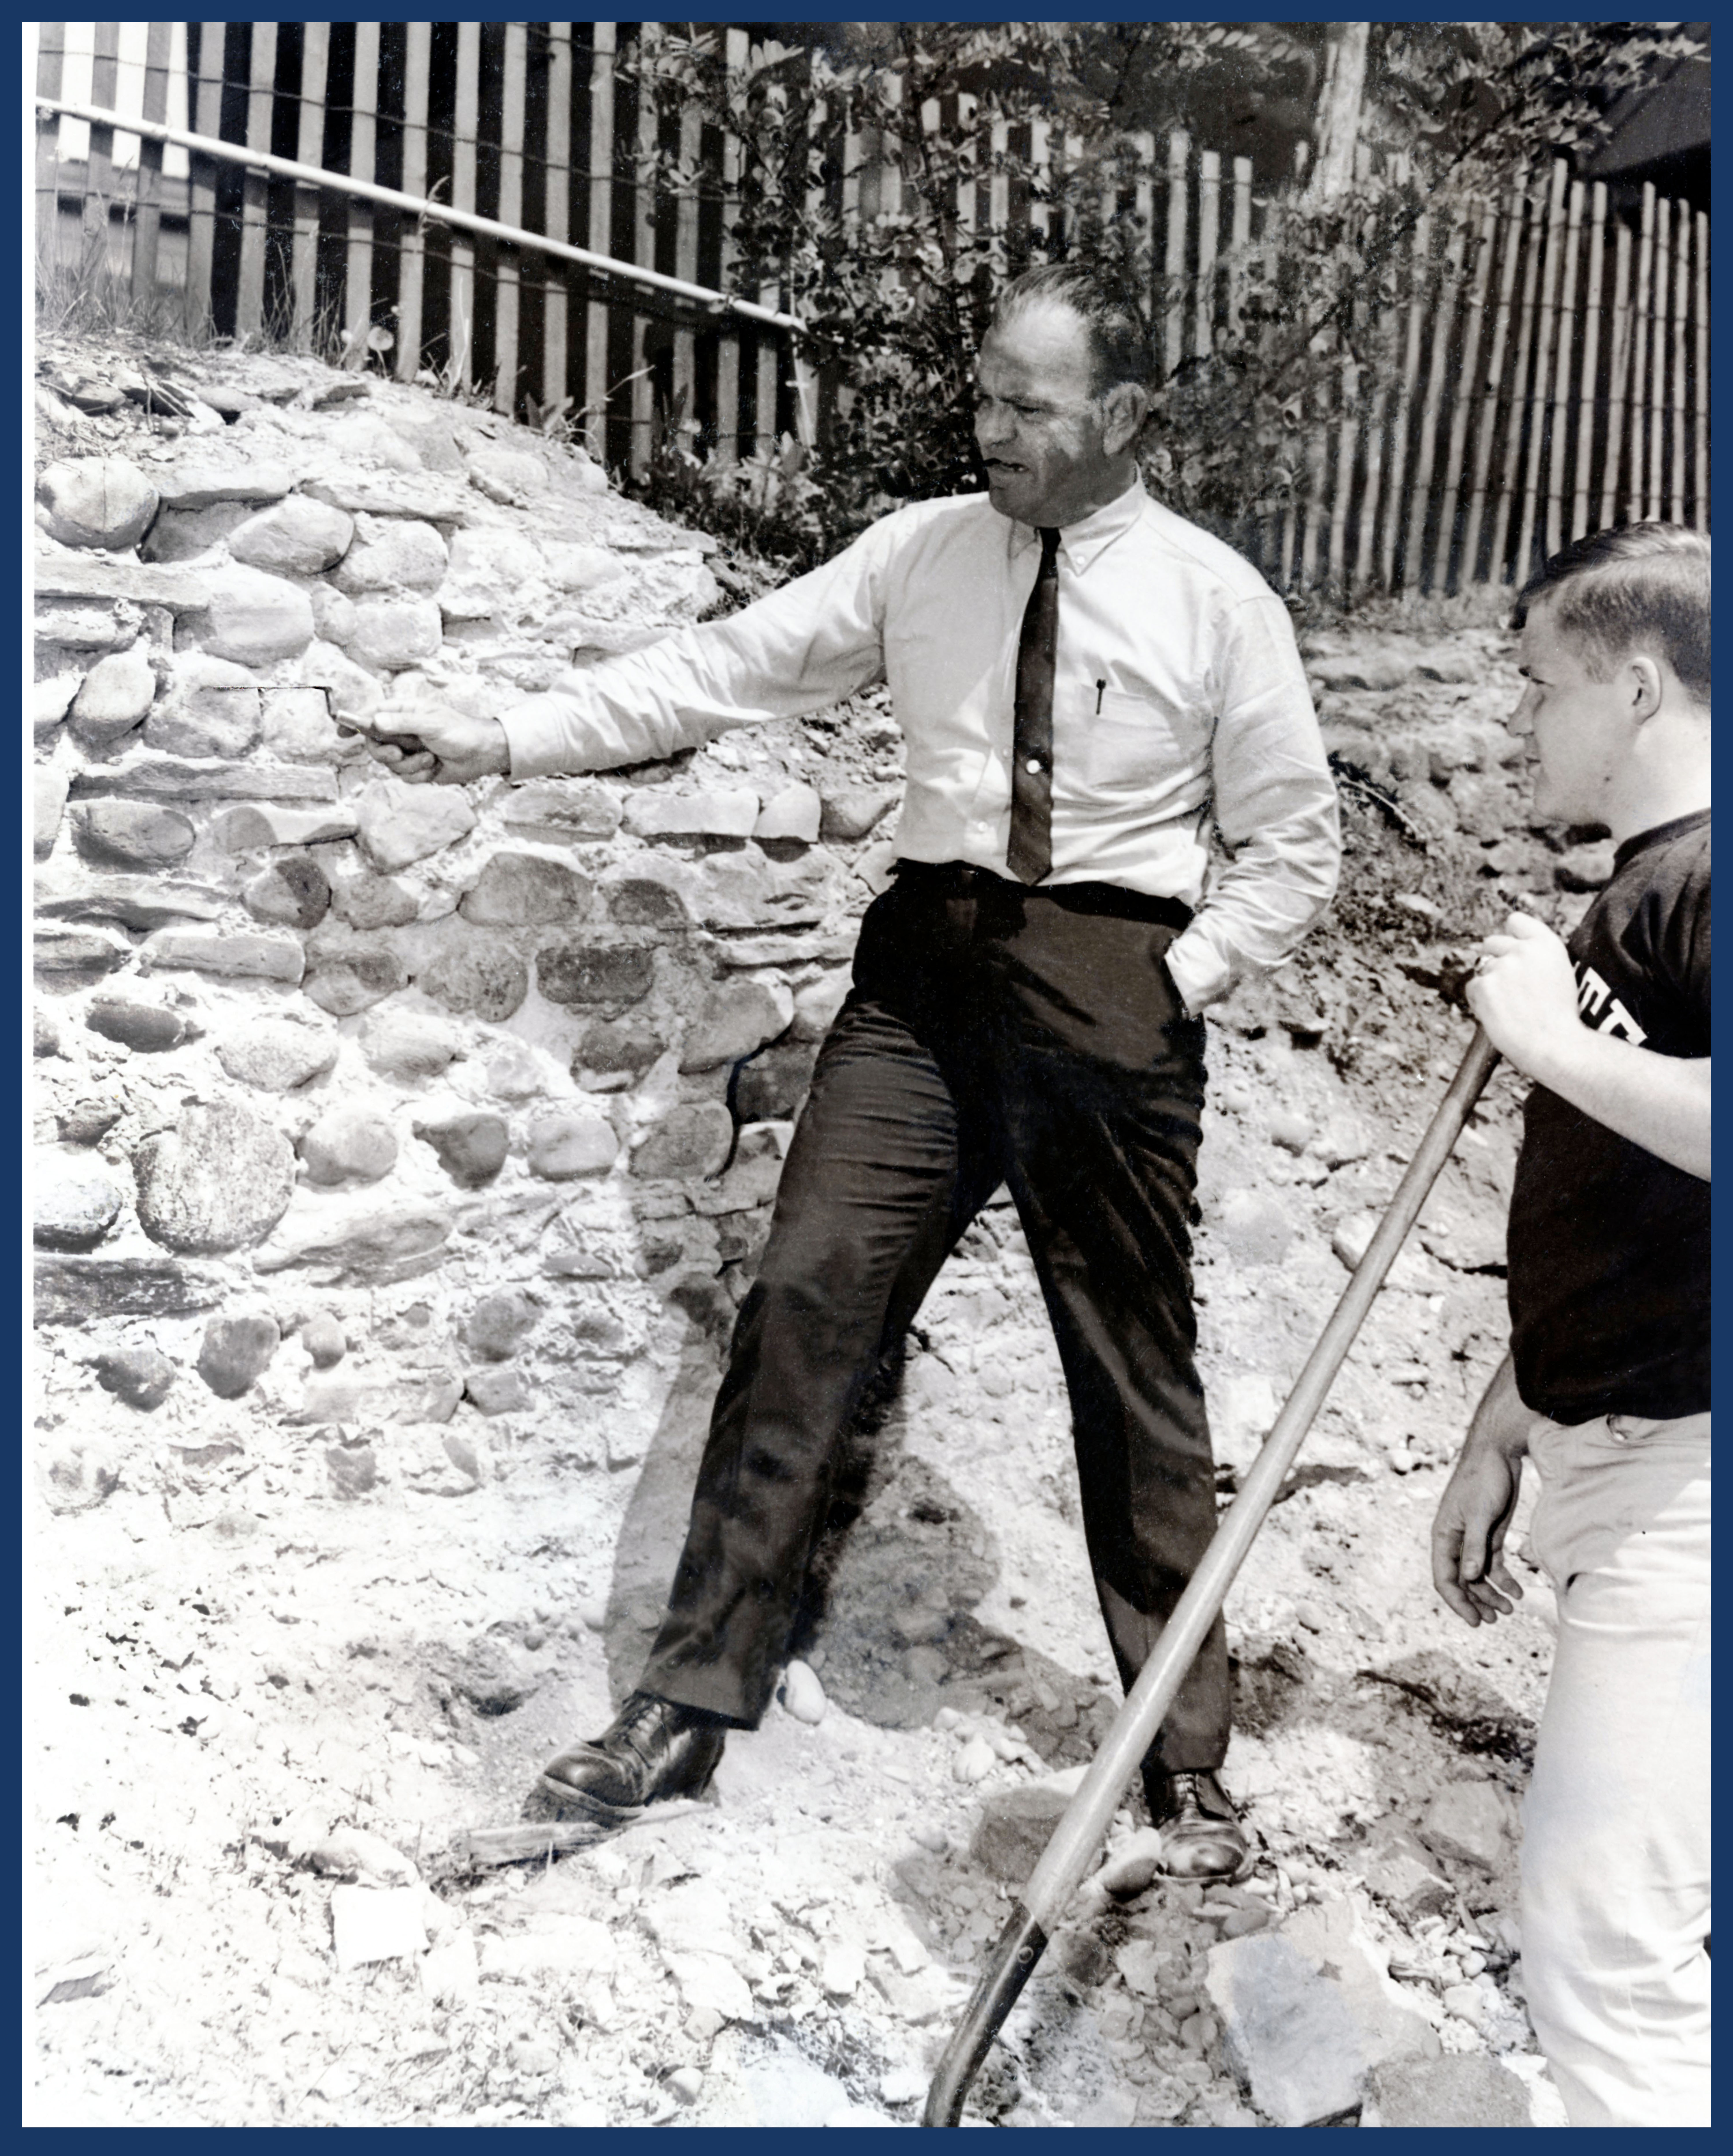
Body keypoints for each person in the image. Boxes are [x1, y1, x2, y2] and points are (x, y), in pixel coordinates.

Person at [367, 262, 1341, 1882]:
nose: (992, 428)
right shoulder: (922, 555)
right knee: (806, 1299)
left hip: (1113, 984)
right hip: (924, 989)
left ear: (1125, 418)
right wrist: (508, 738)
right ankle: (687, 1702)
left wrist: (1178, 973)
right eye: (984, 394)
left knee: (1131, 1371)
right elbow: (724, 668)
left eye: (1030, 404)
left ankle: (1181, 1759)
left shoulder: (1216, 599)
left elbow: (1295, 847)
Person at [1430, 523, 1709, 2128]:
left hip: (1691, 1484)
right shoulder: (1647, 895)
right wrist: (1505, 1417)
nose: (1523, 725)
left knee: (1604, 1948)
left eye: (1541, 689)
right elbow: (1649, 1218)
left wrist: (1544, 1032)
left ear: (1640, 681)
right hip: (1627, 1453)